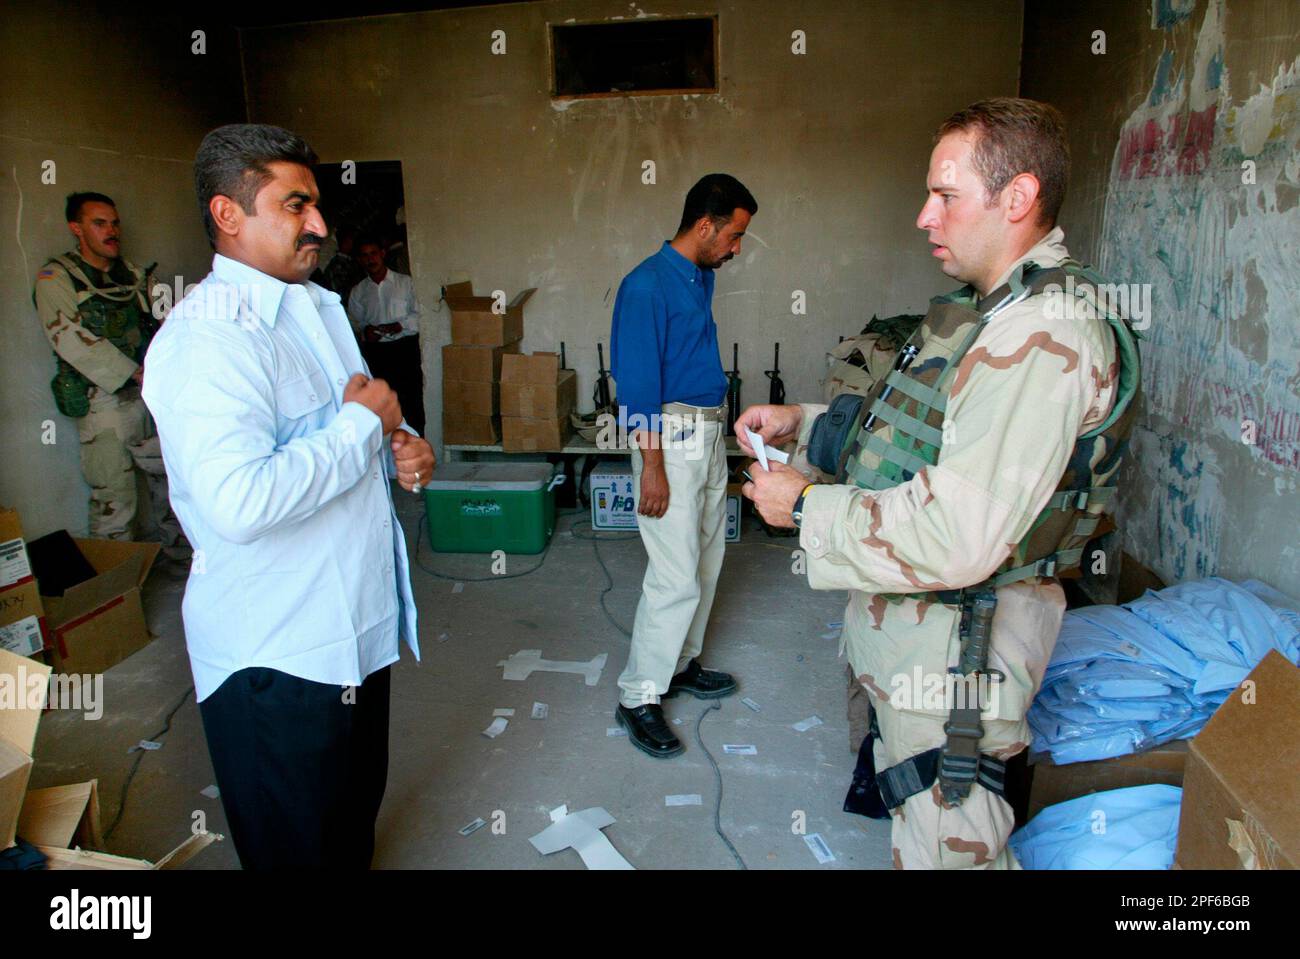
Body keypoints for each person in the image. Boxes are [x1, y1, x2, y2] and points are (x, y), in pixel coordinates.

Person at [738, 98, 1141, 868]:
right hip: (922, 640)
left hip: (959, 658)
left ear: (1017, 198)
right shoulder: (991, 311)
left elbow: (957, 531)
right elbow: (917, 436)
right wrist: (805, 423)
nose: (925, 215)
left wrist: (806, 506)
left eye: (946, 195)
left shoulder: (1040, 335)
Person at [142, 123, 435, 869]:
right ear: (228, 214)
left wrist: (396, 445)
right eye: (295, 205)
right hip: (278, 657)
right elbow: (240, 501)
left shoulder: (316, 308)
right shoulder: (206, 338)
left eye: (316, 205)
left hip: (354, 634)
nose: (320, 225)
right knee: (296, 850)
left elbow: (345, 424)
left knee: (349, 831)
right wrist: (360, 426)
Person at [609, 173, 758, 758]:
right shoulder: (645, 285)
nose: (736, 248)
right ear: (704, 226)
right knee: (674, 576)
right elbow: (636, 386)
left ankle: (680, 664)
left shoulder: (700, 275)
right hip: (668, 439)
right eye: (734, 235)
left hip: (708, 432)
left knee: (707, 558)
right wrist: (652, 466)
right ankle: (637, 696)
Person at [33, 192, 183, 547]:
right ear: (76, 228)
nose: (111, 231)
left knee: (172, 486)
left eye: (114, 223)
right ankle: (119, 579)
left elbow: (170, 327)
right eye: (99, 224)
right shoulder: (55, 277)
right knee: (114, 498)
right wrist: (136, 373)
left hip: (152, 397)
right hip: (103, 402)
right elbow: (68, 338)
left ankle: (183, 562)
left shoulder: (135, 275)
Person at [347, 235, 425, 436]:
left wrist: (400, 325)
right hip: (376, 353)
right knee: (382, 404)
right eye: (364, 256)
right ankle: (390, 448)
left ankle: (416, 443)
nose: (370, 259)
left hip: (404, 349)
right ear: (359, 260)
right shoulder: (359, 291)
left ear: (382, 254)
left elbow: (420, 315)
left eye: (373, 254)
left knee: (411, 401)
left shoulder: (405, 283)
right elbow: (353, 322)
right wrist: (366, 331)